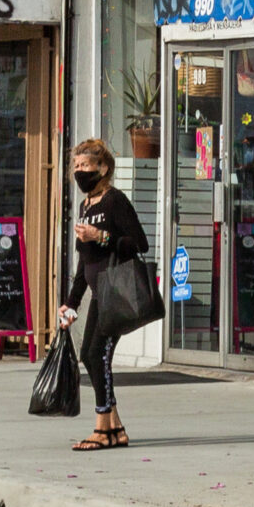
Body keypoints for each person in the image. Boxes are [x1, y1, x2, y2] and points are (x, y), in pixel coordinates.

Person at [57, 138, 147, 451]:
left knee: (98, 355)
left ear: (103, 168)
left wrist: (102, 236)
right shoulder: (86, 207)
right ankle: (115, 428)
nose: (79, 171)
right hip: (98, 292)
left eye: (85, 165)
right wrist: (71, 303)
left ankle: (102, 429)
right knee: (90, 355)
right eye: (76, 166)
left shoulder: (114, 201)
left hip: (118, 290)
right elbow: (85, 263)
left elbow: (139, 243)